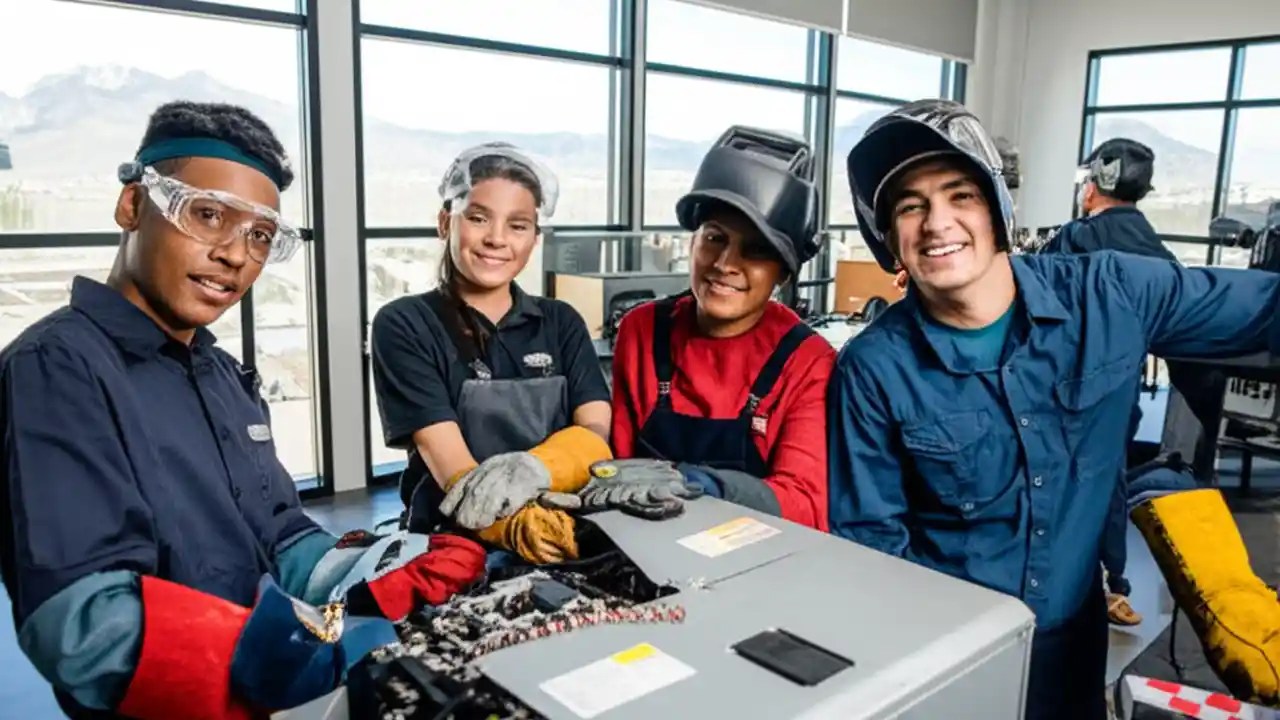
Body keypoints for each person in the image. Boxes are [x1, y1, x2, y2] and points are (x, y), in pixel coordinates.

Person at [0, 102, 487, 720]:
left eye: (260, 236)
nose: (236, 254)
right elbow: (79, 624)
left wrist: (383, 565)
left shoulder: (220, 373)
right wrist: (280, 652)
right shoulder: (56, 368)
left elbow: (280, 538)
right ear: (131, 206)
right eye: (208, 215)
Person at [827, 99, 1280, 720]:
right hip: (952, 665)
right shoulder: (872, 371)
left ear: (995, 210)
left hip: (1074, 649)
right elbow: (873, 552)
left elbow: (1265, 308)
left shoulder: (1111, 294)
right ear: (890, 240)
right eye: (910, 205)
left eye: (960, 195)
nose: (937, 223)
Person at [371, 142, 617, 566]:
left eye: (518, 225)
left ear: (535, 239)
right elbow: (455, 472)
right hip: (452, 543)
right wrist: (524, 528)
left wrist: (539, 470)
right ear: (446, 222)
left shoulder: (561, 322)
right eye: (479, 218)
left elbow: (595, 432)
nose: (497, 239)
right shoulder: (406, 324)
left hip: (565, 526)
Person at [608, 126, 836, 529]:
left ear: (783, 272)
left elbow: (806, 505)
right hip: (643, 542)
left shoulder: (806, 362)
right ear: (693, 241)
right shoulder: (641, 332)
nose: (725, 263)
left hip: (758, 562)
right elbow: (616, 466)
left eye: (757, 250)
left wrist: (712, 488)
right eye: (715, 237)